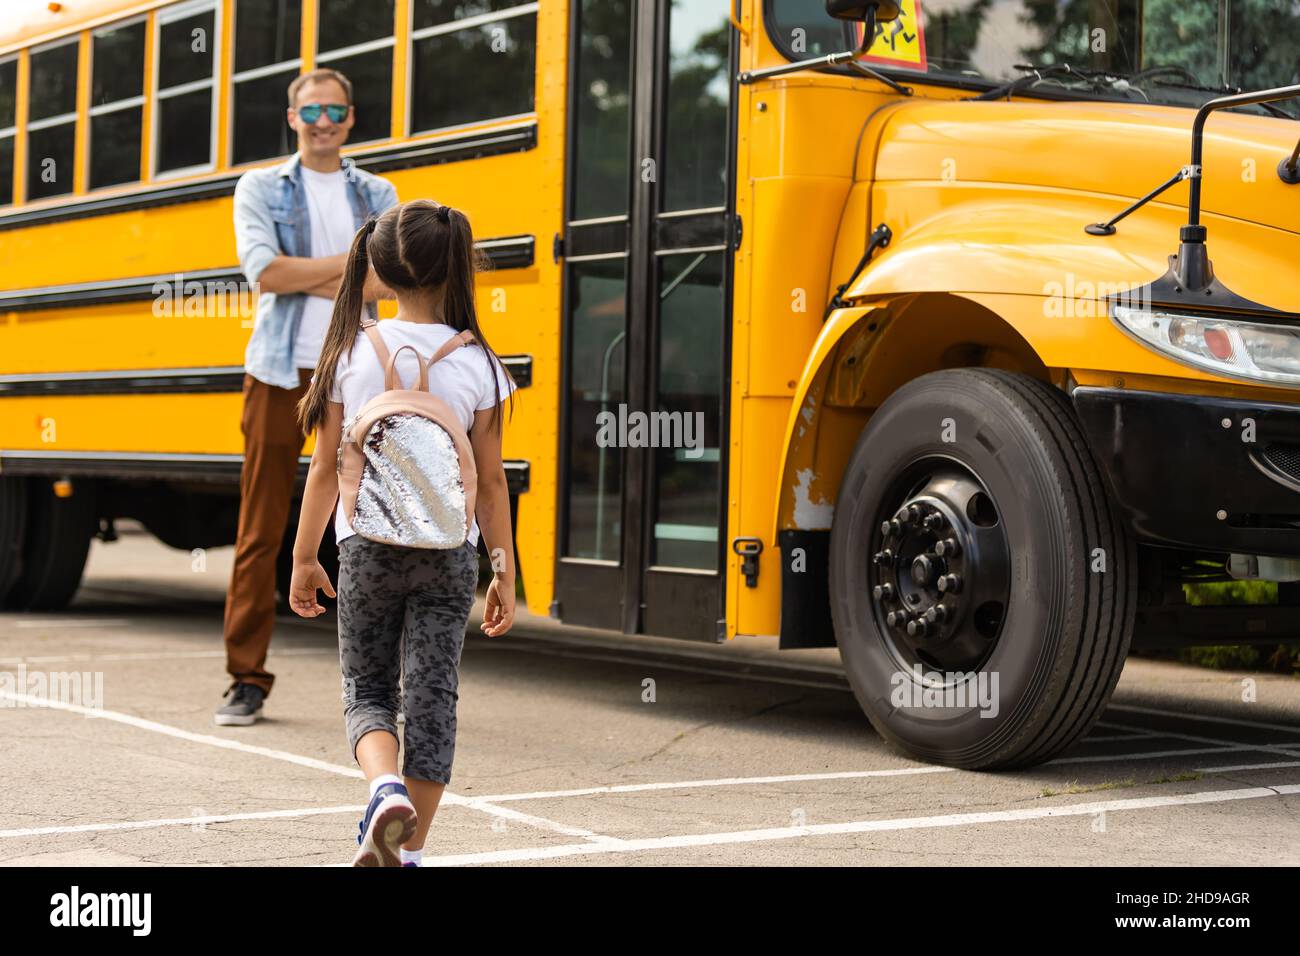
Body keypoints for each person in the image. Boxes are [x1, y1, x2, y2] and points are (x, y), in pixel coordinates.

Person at [289, 199, 518, 867]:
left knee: (367, 689)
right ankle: (409, 853)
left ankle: (384, 788)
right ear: (457, 269)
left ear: (380, 272)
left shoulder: (354, 352)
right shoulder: (480, 364)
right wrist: (502, 569)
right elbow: (494, 484)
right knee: (433, 696)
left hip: (366, 548)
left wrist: (306, 557)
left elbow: (327, 469)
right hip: (449, 554)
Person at [216, 68, 399, 726]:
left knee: (376, 522)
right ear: (293, 118)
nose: (323, 121)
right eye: (311, 110)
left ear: (350, 119)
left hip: (358, 372)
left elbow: (386, 284)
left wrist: (319, 276)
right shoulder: (261, 186)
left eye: (335, 111)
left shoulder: (378, 191)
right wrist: (353, 270)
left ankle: (377, 681)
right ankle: (246, 678)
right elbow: (265, 272)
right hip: (280, 371)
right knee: (260, 528)